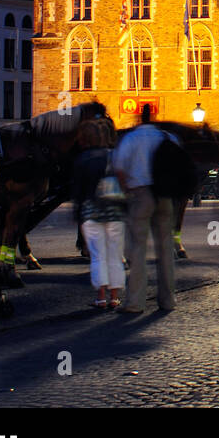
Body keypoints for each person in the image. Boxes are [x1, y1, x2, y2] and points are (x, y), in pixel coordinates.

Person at [111, 106, 175, 314]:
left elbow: (119, 168)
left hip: (140, 194)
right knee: (165, 248)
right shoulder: (167, 138)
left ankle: (136, 302)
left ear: (139, 118)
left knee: (137, 248)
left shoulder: (131, 139)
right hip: (164, 195)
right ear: (155, 117)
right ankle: (167, 300)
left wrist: (125, 190)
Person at [72, 120, 126, 310]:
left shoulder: (83, 159)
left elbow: (77, 193)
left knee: (98, 256)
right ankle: (114, 296)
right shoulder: (116, 156)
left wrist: (78, 216)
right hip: (115, 213)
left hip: (91, 213)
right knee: (115, 254)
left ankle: (101, 297)